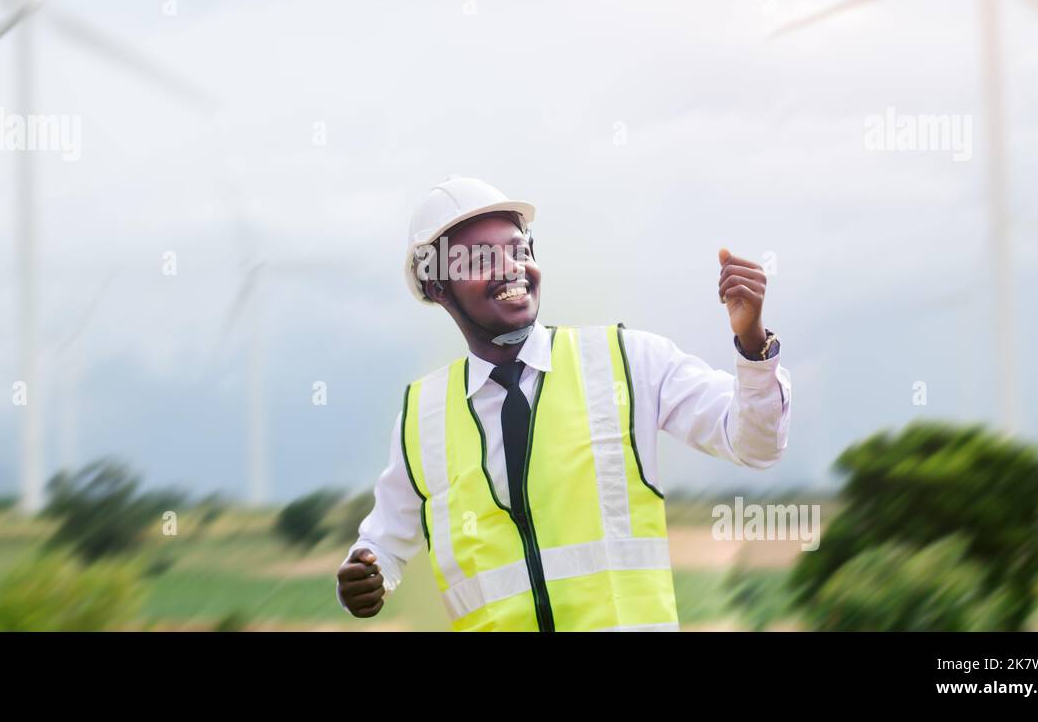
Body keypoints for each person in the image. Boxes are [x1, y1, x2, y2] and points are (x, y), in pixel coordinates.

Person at [335, 177, 791, 631]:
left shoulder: (628, 361)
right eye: (479, 260)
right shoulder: (422, 417)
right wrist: (366, 572)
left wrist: (752, 346)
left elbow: (755, 444)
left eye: (520, 250)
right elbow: (384, 544)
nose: (511, 268)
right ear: (438, 288)